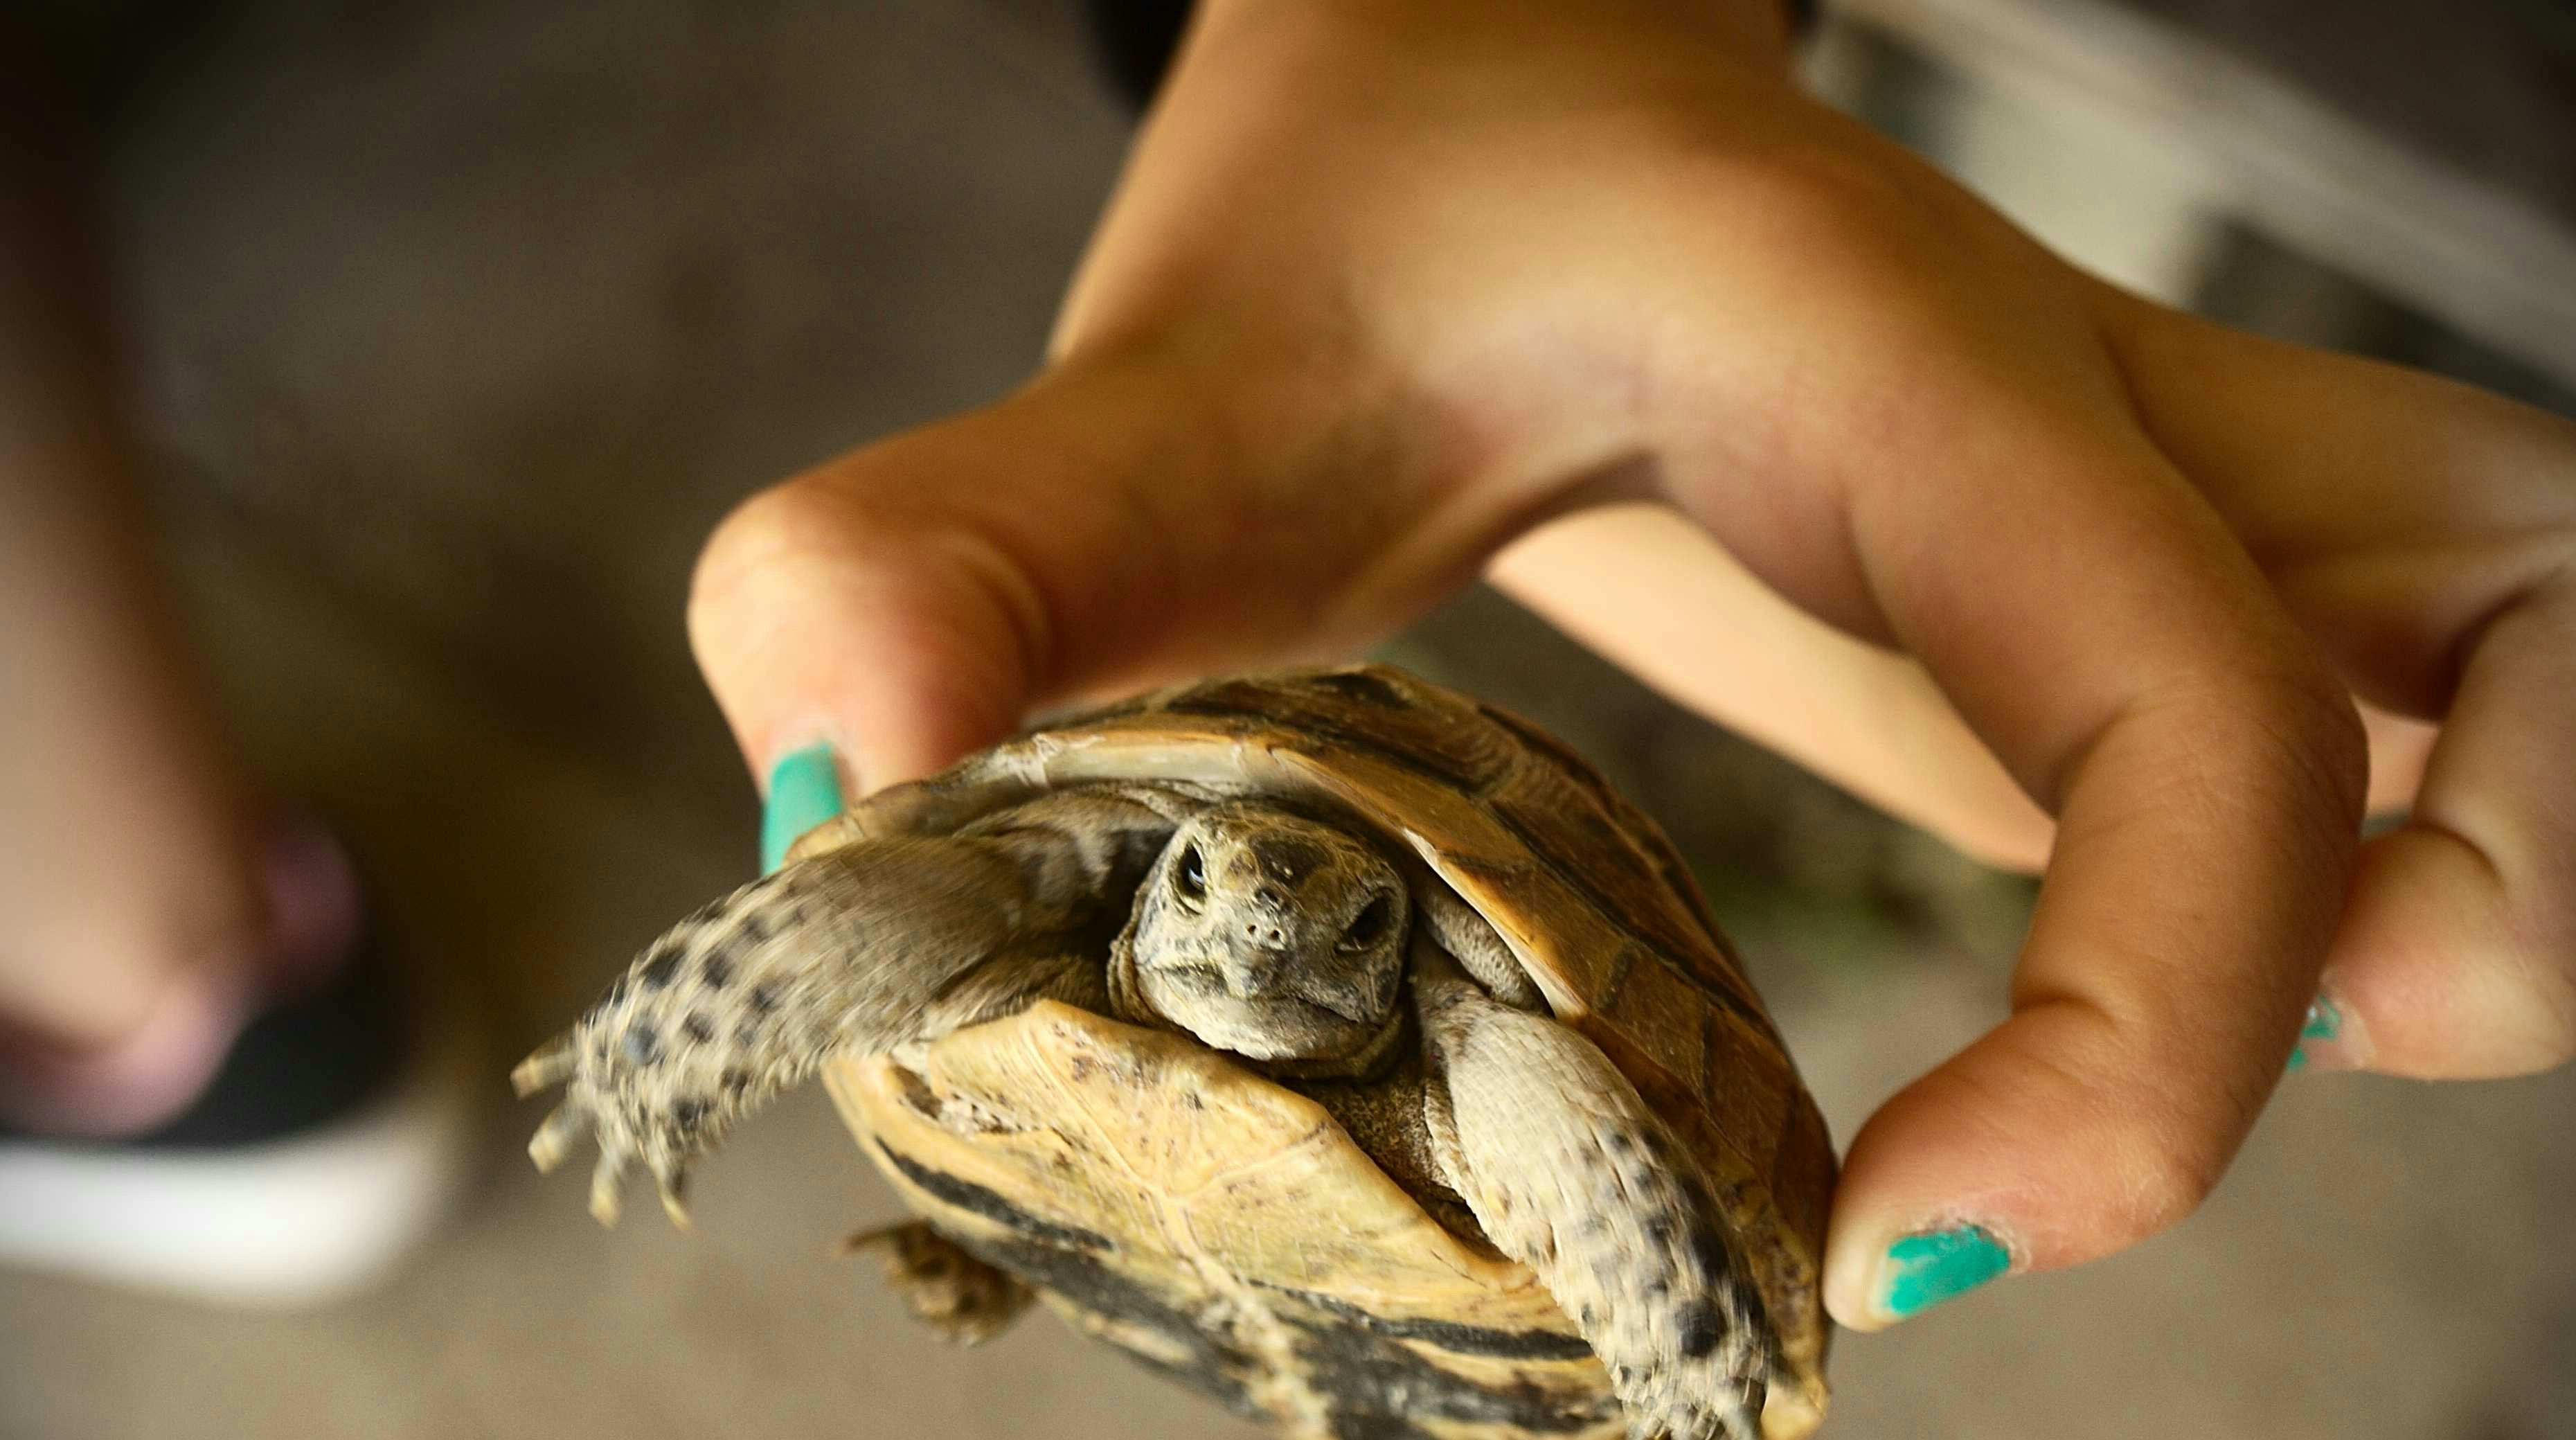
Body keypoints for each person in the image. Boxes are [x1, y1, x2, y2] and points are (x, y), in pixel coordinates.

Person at [7, 0, 2571, 1322]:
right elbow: (907, 913)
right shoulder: (1135, 903)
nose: (1248, 922)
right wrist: (691, 1031)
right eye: (1234, 883)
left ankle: (157, 990)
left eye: (1298, 910)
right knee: (878, 904)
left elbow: (1530, 1077)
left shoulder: (1462, 1025)